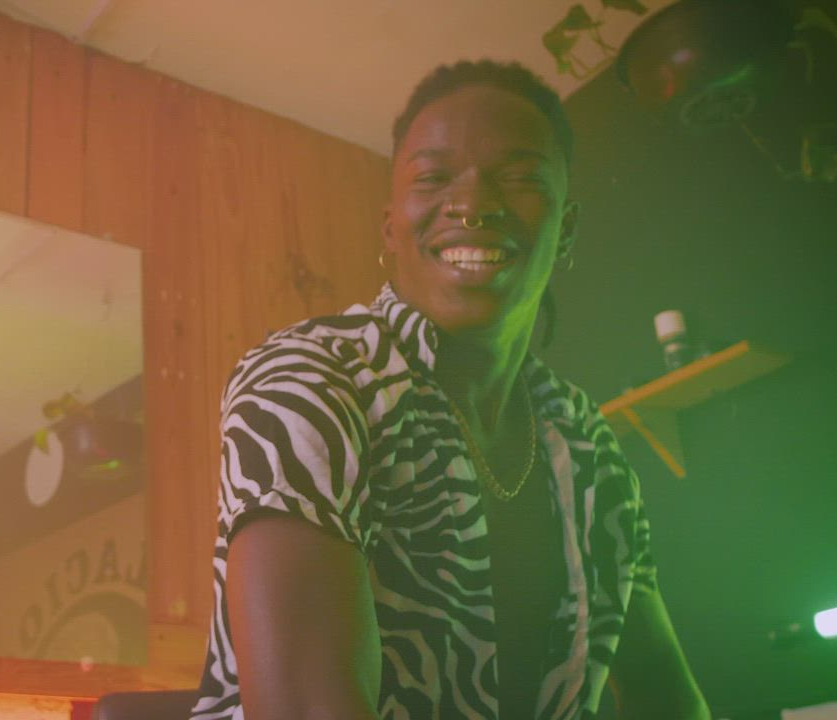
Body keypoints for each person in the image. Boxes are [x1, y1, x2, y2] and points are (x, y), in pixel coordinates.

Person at [190, 59, 710, 720]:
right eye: (434, 176)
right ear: (390, 228)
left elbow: (667, 693)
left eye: (519, 177)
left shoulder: (585, 439)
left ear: (567, 231)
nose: (472, 203)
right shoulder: (308, 378)